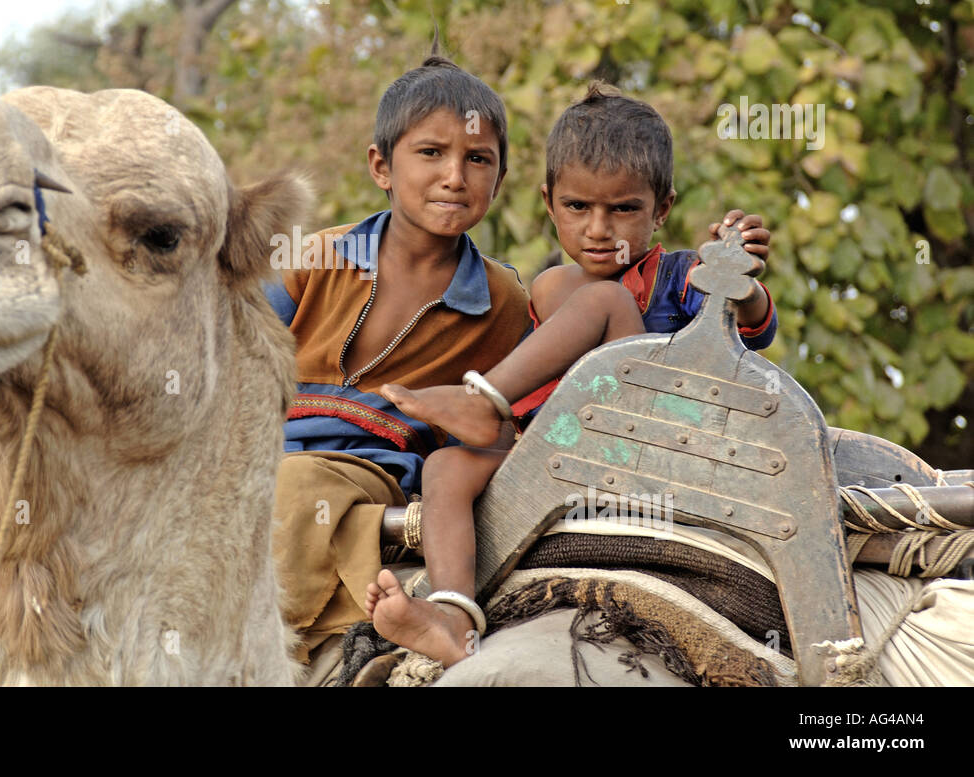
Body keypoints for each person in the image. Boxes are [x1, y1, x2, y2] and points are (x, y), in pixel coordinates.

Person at [366, 83, 778, 668]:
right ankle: (452, 614)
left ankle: (481, 399)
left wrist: (742, 280)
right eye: (578, 208)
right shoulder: (550, 288)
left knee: (603, 301)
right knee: (446, 468)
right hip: (560, 446)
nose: (598, 230)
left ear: (661, 209)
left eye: (624, 209)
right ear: (549, 202)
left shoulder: (683, 274)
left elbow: (751, 331)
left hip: (650, 439)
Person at [264, 48, 533, 665]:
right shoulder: (318, 256)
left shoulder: (501, 300)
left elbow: (516, 416)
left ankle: (273, 649)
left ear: (498, 179)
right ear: (381, 166)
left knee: (295, 486)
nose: (454, 176)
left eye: (478, 159)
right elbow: (238, 351)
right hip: (268, 445)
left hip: (376, 468)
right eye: (431, 153)